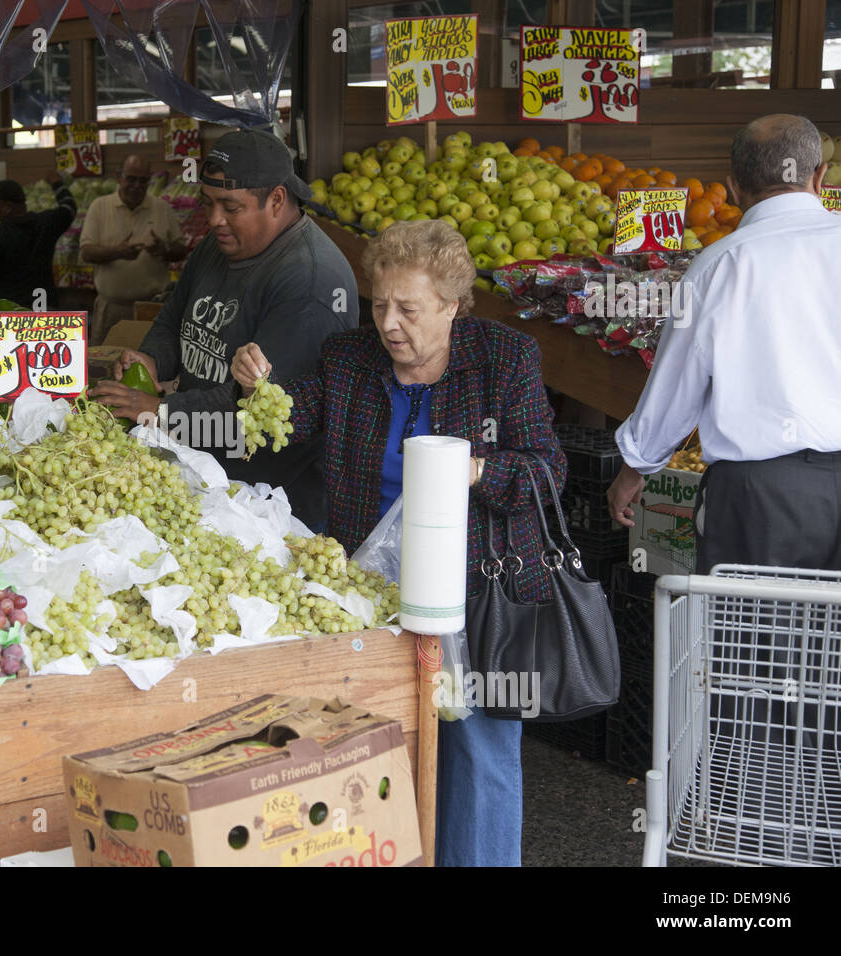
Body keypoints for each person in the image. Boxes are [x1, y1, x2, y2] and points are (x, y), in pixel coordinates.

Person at [230, 219, 567, 866]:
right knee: (379, 745)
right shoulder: (348, 357)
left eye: (409, 309)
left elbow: (546, 471)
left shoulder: (505, 360)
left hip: (476, 590)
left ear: (451, 306)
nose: (389, 323)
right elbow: (293, 422)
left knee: (476, 752)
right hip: (373, 591)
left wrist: (475, 470)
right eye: (379, 304)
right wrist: (258, 388)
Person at [89, 128, 357, 530]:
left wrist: (161, 412)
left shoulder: (310, 283)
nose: (214, 220)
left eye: (230, 207)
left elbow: (262, 410)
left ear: (277, 200)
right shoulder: (218, 246)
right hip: (205, 475)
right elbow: (171, 320)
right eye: (209, 203)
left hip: (270, 503)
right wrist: (152, 359)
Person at [608, 115, 841, 571]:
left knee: (752, 638)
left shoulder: (719, 266)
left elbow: (677, 384)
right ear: (818, 177)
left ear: (733, 188)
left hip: (763, 500)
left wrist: (635, 467)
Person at [80, 154, 187, 344]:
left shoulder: (162, 208)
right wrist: (118, 252)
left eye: (143, 180)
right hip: (111, 310)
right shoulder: (99, 207)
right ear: (118, 176)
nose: (137, 185)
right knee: (104, 367)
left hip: (153, 308)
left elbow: (181, 250)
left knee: (152, 366)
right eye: (131, 179)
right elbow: (87, 253)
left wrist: (165, 249)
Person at [0, 171, 77, 309]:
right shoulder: (46, 222)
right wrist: (57, 183)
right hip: (44, 307)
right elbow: (69, 207)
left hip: (12, 312)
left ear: (7, 207)